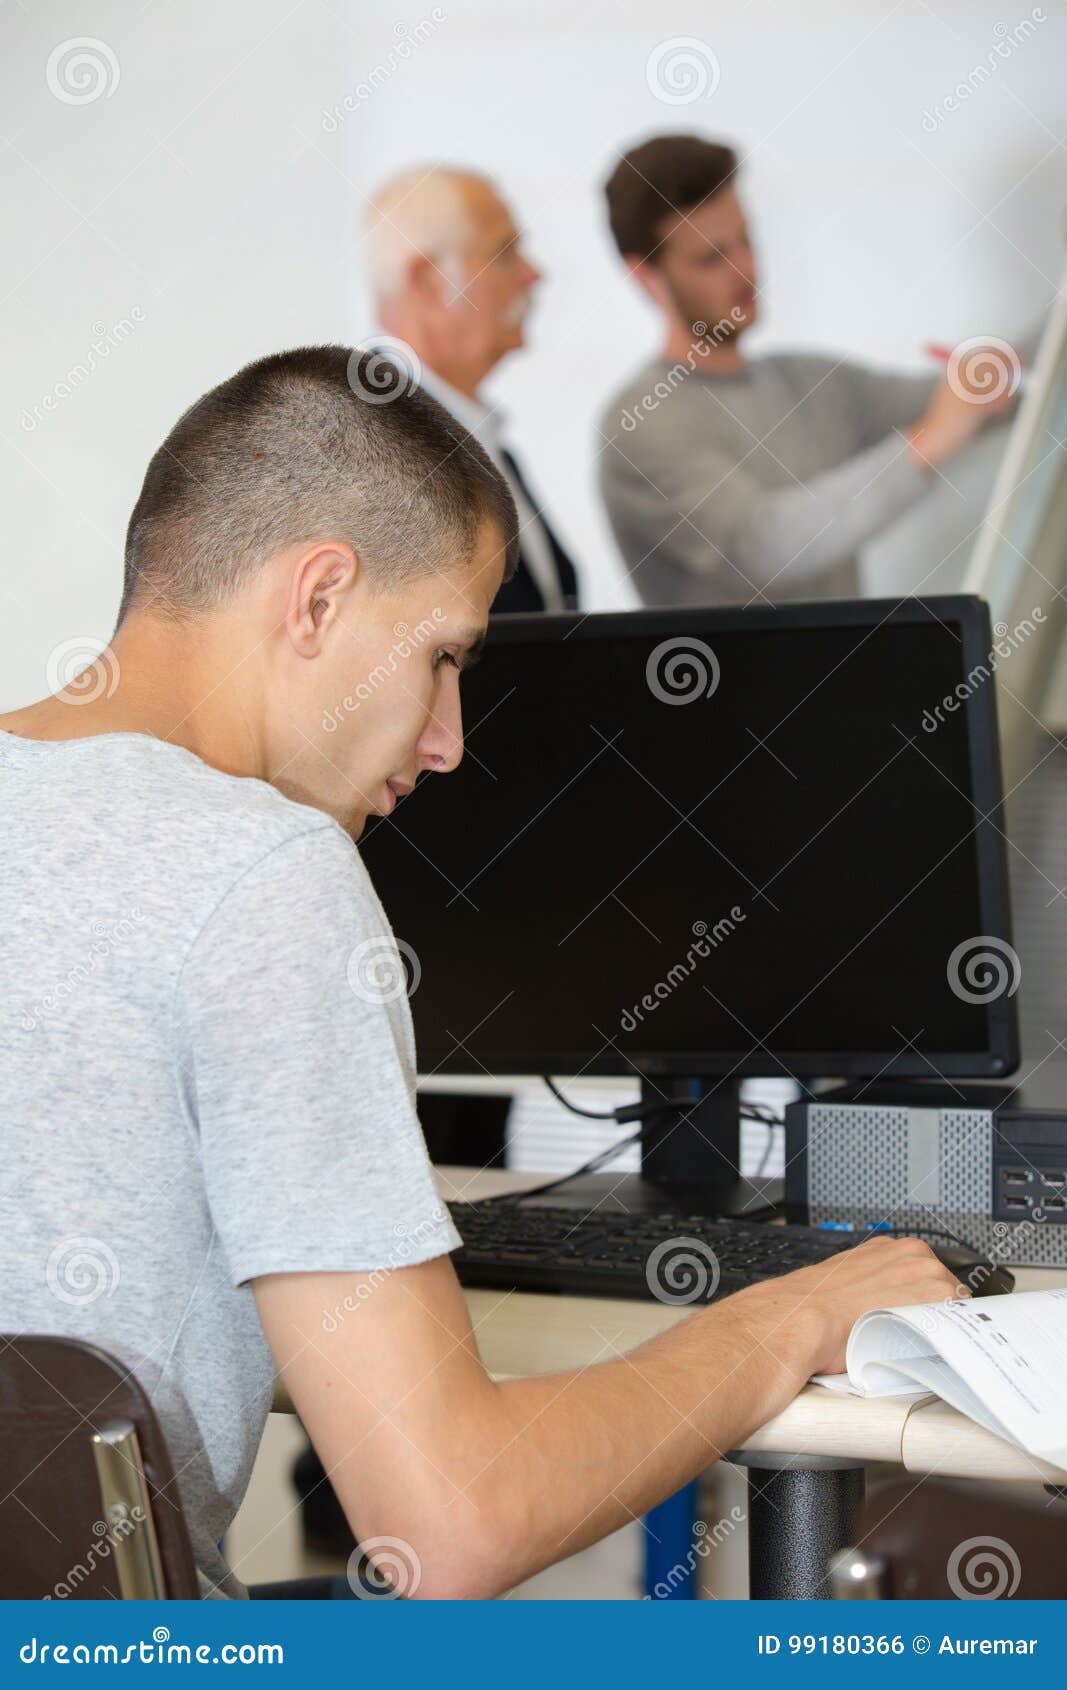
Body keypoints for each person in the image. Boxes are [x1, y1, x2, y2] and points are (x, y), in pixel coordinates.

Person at [0, 346, 966, 1599]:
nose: (449, 744)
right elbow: (454, 1519)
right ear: (317, 598)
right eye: (447, 656)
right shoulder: (262, 872)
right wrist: (788, 1314)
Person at [598, 134, 1019, 607]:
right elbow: (760, 547)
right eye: (713, 257)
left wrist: (997, 374)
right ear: (645, 275)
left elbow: (990, 396)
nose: (747, 269)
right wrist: (931, 439)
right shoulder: (643, 422)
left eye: (746, 240)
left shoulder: (809, 382)